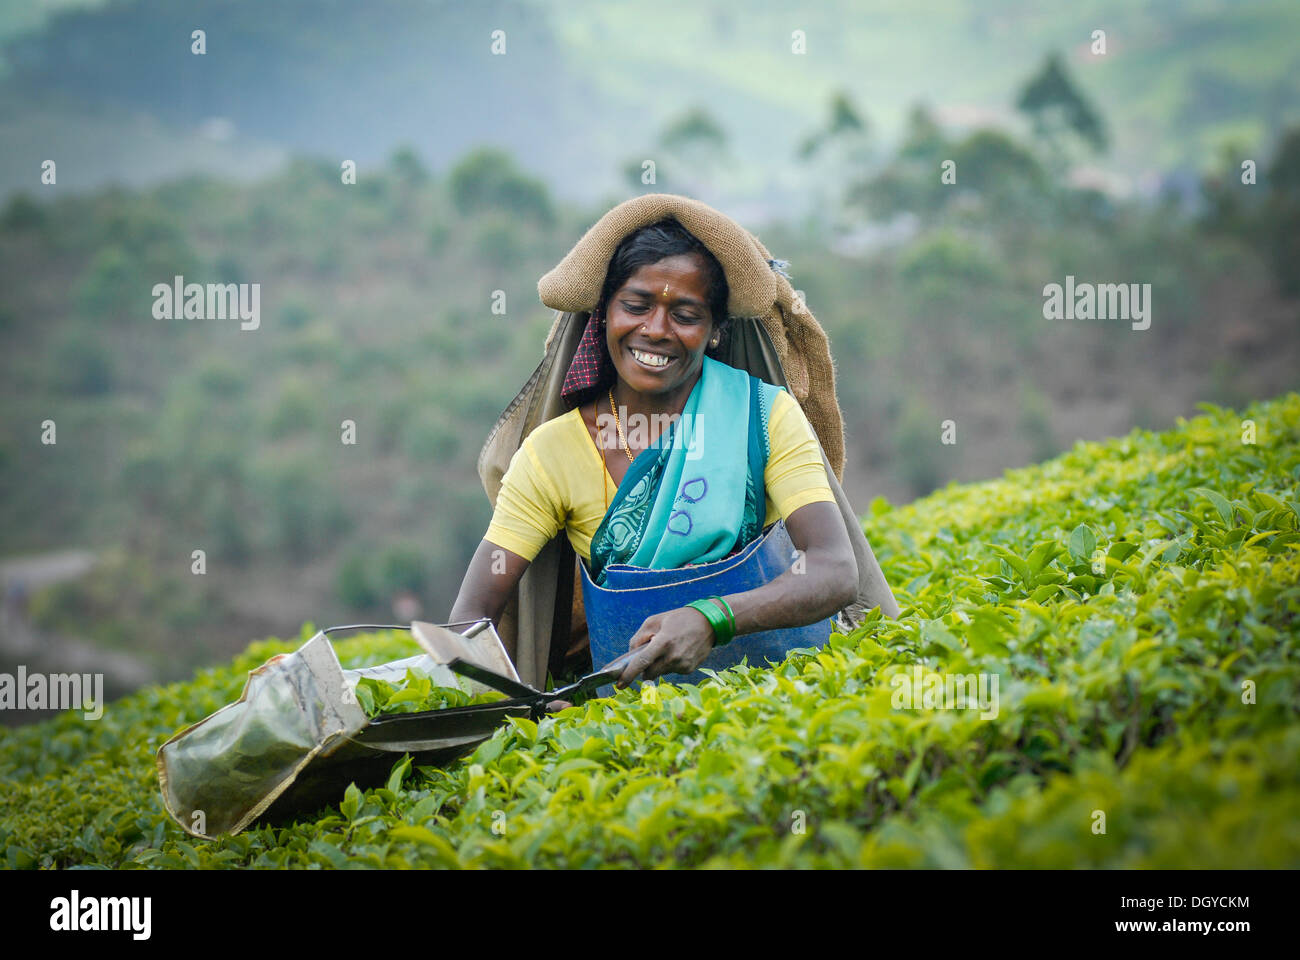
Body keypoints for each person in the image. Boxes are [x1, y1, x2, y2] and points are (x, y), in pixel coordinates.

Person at [448, 216, 859, 690]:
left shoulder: (763, 417)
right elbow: (471, 617)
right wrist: (519, 704)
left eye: (685, 315)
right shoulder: (551, 453)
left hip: (776, 695)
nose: (657, 330)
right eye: (636, 306)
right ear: (604, 313)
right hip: (632, 719)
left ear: (716, 330)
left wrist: (713, 618)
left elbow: (834, 567)